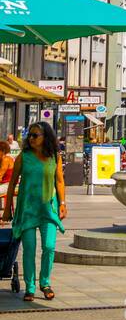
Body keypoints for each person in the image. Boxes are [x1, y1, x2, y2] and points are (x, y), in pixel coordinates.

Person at [1, 121, 66, 301]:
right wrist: (7, 209)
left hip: (48, 208)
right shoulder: (24, 156)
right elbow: (12, 183)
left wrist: (62, 203)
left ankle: (45, 283)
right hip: (27, 209)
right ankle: (30, 287)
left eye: (35, 135)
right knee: (29, 249)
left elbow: (59, 181)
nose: (31, 138)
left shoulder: (55, 156)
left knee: (49, 246)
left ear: (46, 137)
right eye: (29, 135)